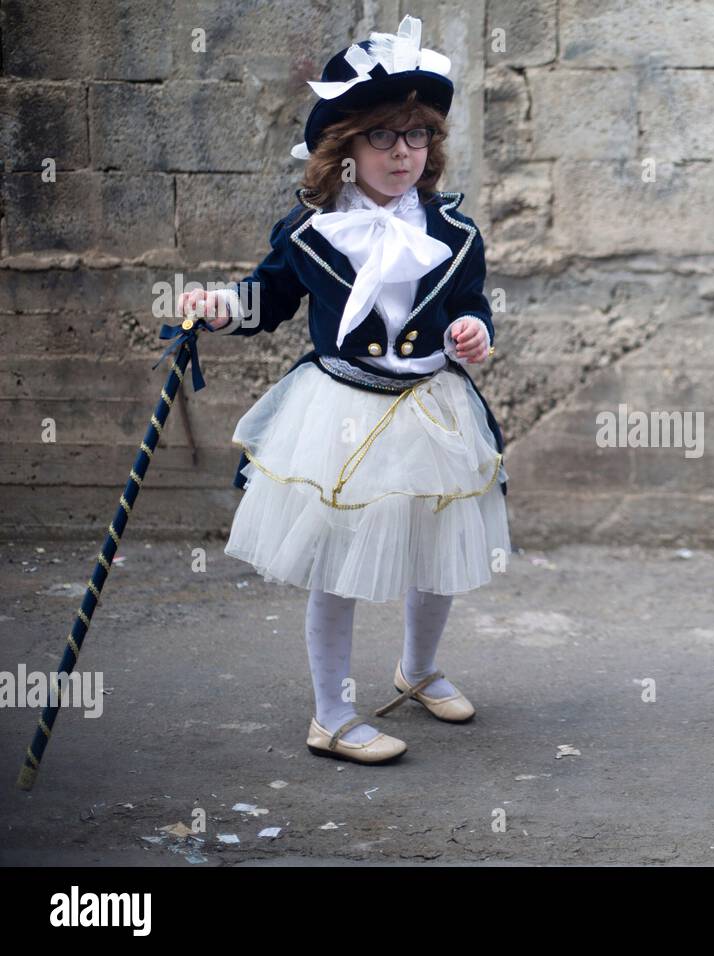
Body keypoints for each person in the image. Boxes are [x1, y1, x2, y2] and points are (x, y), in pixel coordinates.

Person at [177, 16, 506, 765]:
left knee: (438, 543)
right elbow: (269, 299)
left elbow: (473, 302)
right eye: (383, 136)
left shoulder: (454, 233)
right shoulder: (312, 232)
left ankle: (418, 669)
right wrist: (223, 307)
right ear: (345, 149)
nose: (402, 152)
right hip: (342, 411)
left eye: (416, 136)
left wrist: (474, 331)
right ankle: (331, 713)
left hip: (432, 406)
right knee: (337, 562)